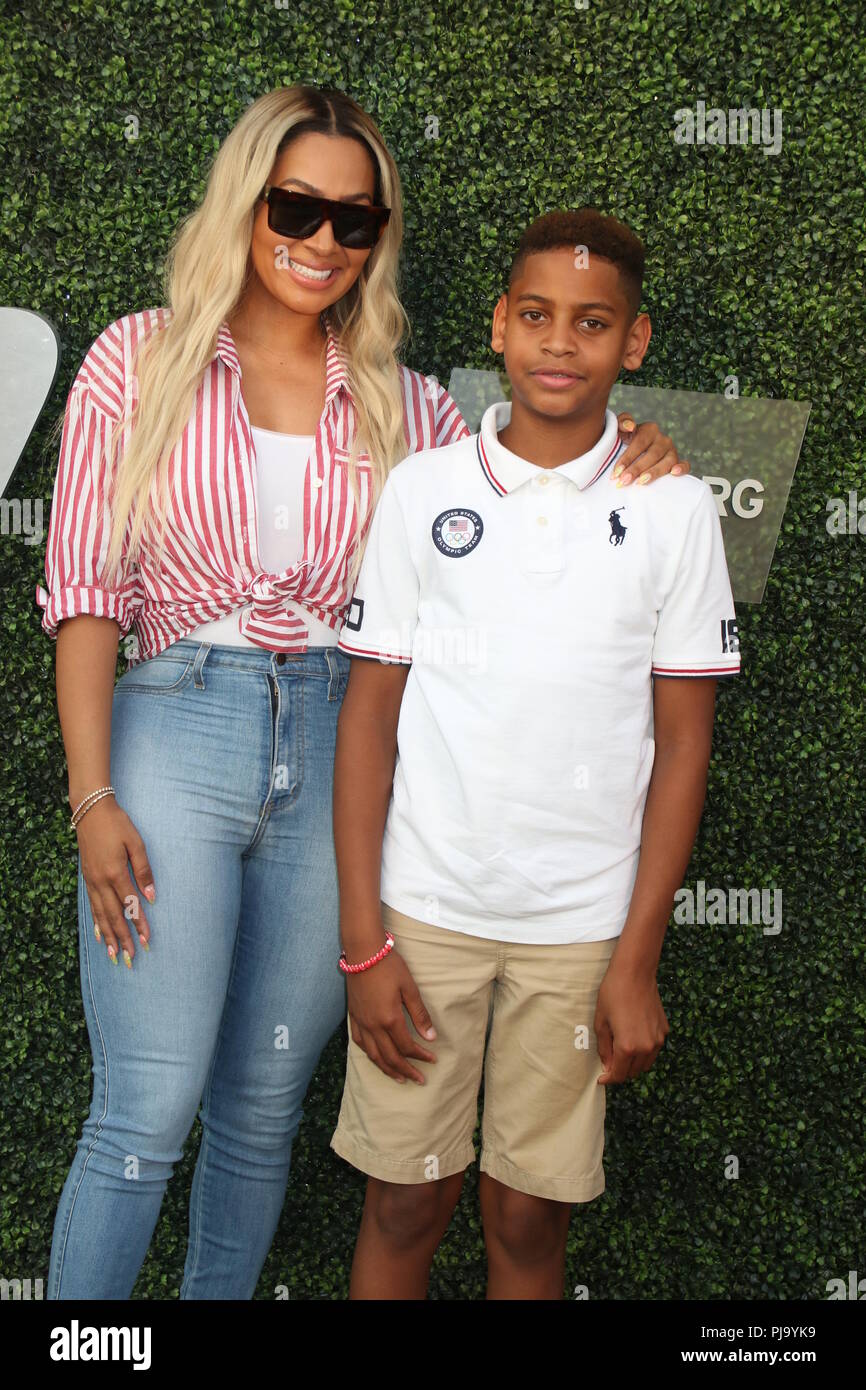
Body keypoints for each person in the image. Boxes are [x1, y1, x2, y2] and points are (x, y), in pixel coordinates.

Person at [37, 81, 690, 1301]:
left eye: (355, 221)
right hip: (178, 722)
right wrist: (92, 794)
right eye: (297, 205)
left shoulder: (413, 405)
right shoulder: (138, 358)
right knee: (148, 1105)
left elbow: (546, 454)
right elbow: (84, 594)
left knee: (261, 1102)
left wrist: (649, 449)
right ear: (247, 198)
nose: (322, 241)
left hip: (344, 748)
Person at [329, 207, 742, 1300]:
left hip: (577, 930)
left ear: (634, 342)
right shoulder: (423, 491)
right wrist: (362, 941)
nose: (561, 343)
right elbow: (368, 716)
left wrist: (635, 957)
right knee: (404, 1197)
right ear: (499, 328)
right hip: (423, 917)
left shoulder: (676, 509)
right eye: (537, 316)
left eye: (591, 322)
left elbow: (682, 745)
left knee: (526, 1213)